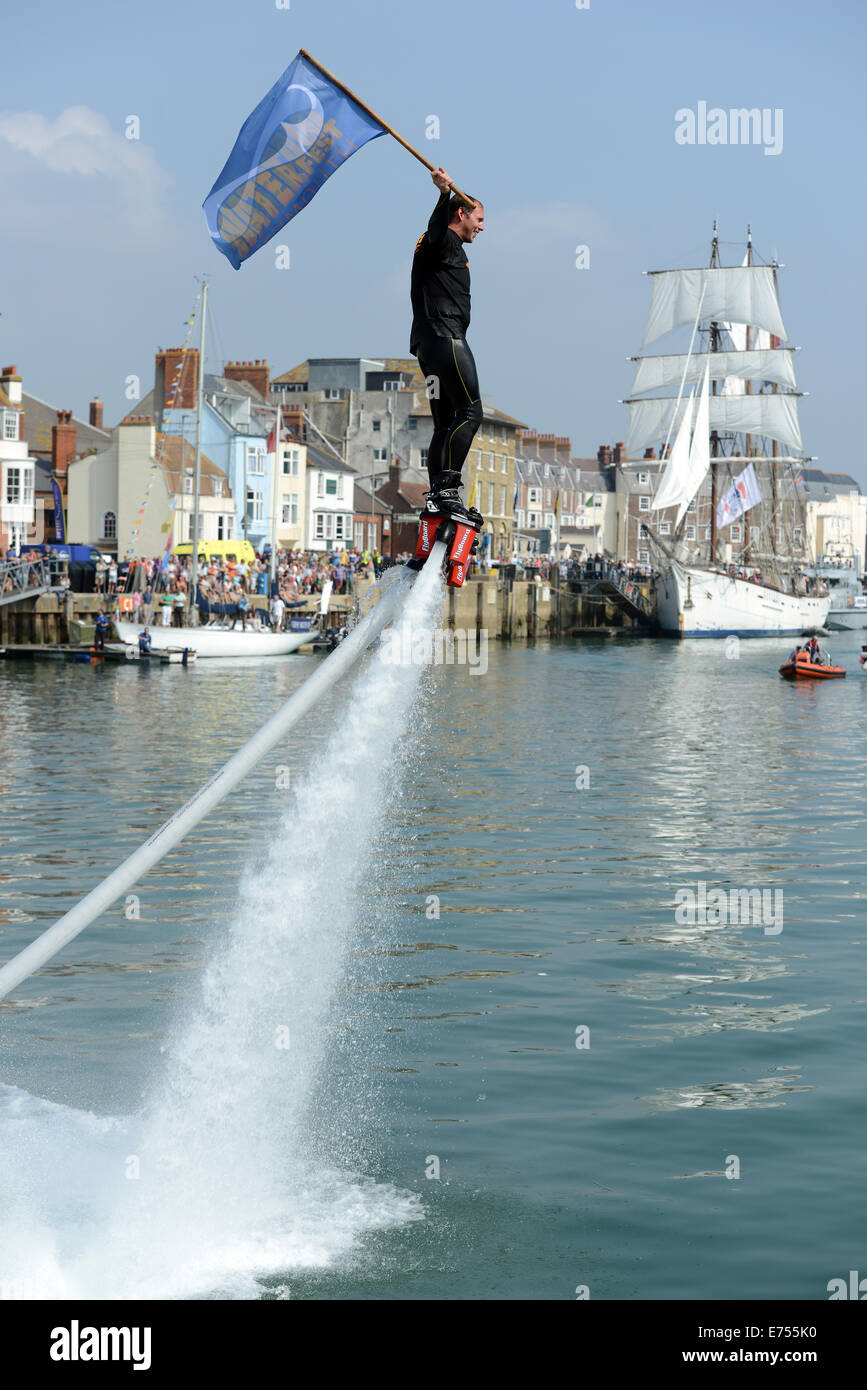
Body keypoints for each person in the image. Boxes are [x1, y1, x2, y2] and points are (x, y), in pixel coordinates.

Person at [410, 165, 485, 524]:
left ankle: (438, 497)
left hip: (427, 348)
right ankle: (447, 488)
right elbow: (437, 230)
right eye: (479, 218)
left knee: (443, 422)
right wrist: (442, 194)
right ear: (462, 213)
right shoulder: (441, 241)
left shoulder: (434, 245)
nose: (482, 227)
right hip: (446, 341)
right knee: (471, 413)